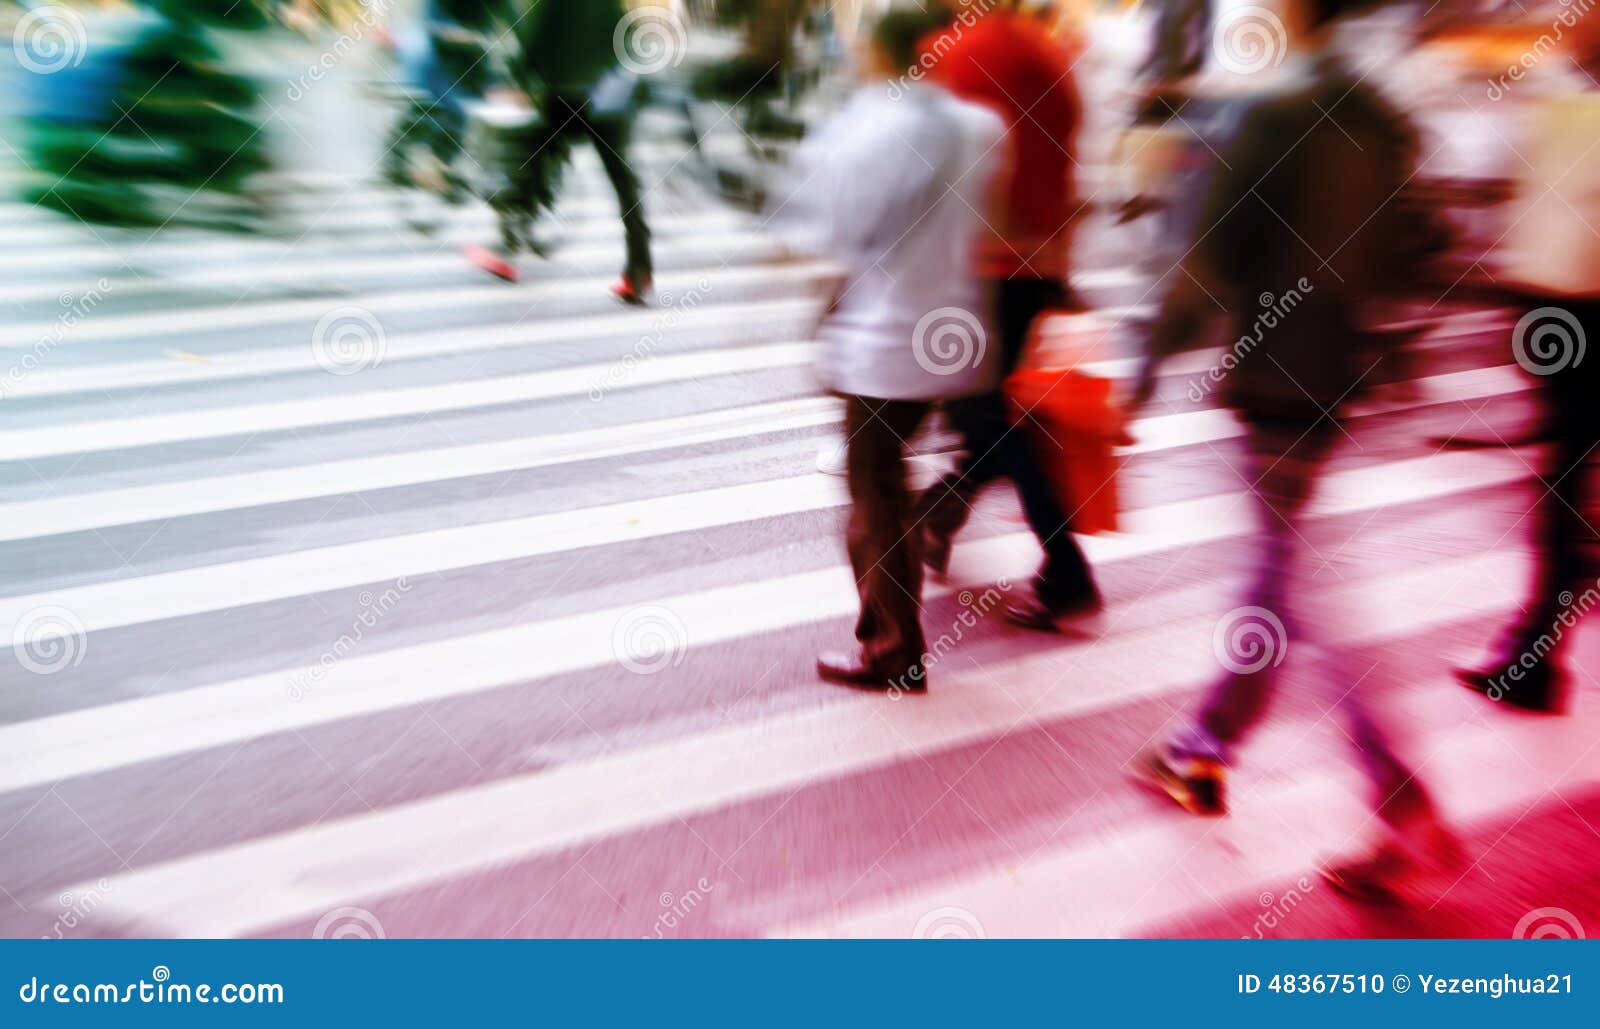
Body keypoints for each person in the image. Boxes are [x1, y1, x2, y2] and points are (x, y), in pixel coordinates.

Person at [1127, 0, 1460, 898]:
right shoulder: (1382, 120)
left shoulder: (1267, 116)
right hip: (1340, 378)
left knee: (1297, 591)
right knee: (1281, 578)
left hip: (1277, 380)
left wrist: (1145, 365)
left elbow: (1207, 259)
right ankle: (1204, 745)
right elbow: (1420, 249)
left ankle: (1402, 802)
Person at [773, 8, 1007, 690]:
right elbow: (988, 218)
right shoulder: (978, 126)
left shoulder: (867, 130)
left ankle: (892, 649)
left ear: (873, 50)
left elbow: (833, 234)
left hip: (885, 338)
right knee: (887, 483)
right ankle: (893, 640)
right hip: (953, 332)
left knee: (874, 495)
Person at [910, 0, 1103, 631]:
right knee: (988, 414)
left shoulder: (956, 53)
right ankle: (937, 518)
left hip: (982, 268)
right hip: (1040, 264)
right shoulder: (1050, 54)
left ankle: (1068, 572)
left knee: (990, 418)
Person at [1457, 21, 1600, 714]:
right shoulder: (1565, 110)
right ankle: (1534, 654)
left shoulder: (1572, 116)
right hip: (1564, 321)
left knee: (1563, 493)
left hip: (1577, 320)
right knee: (1562, 492)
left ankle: (1535, 656)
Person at [465, 0, 654, 304]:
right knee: (621, 178)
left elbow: (536, 40)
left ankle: (506, 248)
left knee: (533, 157)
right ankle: (639, 267)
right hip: (609, 93)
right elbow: (628, 36)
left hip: (569, 94)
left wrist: (519, 79)